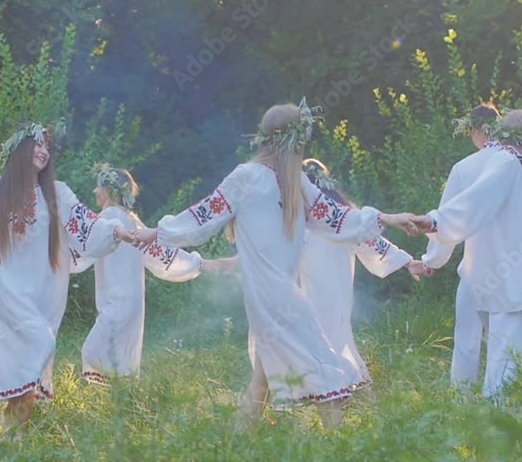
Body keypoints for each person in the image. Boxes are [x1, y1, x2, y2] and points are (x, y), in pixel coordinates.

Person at [131, 100, 418, 427]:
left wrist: (391, 218)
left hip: (275, 293)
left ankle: (235, 440)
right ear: (295, 141)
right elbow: (205, 215)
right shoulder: (248, 178)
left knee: (264, 378)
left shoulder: (297, 184)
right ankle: (340, 449)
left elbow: (338, 218)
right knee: (327, 372)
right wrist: (156, 232)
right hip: (276, 296)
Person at [0, 122, 132, 429]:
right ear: (21, 150)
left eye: (47, 147)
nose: (43, 151)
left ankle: (13, 438)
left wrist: (117, 231)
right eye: (37, 145)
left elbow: (87, 225)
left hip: (42, 294)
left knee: (31, 365)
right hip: (5, 292)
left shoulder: (57, 193)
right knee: (10, 360)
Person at [412, 109, 522, 397]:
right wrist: (436, 221)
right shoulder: (507, 164)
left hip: (493, 275)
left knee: (497, 353)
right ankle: (496, 427)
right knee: (506, 360)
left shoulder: (512, 165)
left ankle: (478, 408)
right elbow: (473, 204)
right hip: (507, 279)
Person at [71, 164, 227, 383]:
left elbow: (84, 247)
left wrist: (54, 258)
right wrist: (196, 264)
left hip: (118, 298)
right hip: (129, 299)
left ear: (108, 190)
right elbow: (157, 253)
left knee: (94, 351)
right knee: (112, 355)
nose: (95, 192)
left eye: (98, 187)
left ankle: (123, 392)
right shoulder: (130, 221)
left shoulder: (108, 218)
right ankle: (121, 398)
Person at [297, 158, 426, 391]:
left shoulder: (339, 219)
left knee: (326, 334)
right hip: (318, 288)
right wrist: (407, 262)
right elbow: (369, 241)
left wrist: (406, 262)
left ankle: (331, 388)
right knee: (323, 333)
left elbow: (370, 241)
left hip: (327, 288)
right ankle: (326, 387)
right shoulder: (306, 220)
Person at [422, 104, 502, 388]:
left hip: (475, 266)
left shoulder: (464, 168)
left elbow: (448, 219)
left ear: (477, 131)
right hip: (511, 263)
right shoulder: (521, 164)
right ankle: (505, 393)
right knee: (503, 337)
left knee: (467, 335)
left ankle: (462, 396)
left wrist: (431, 261)